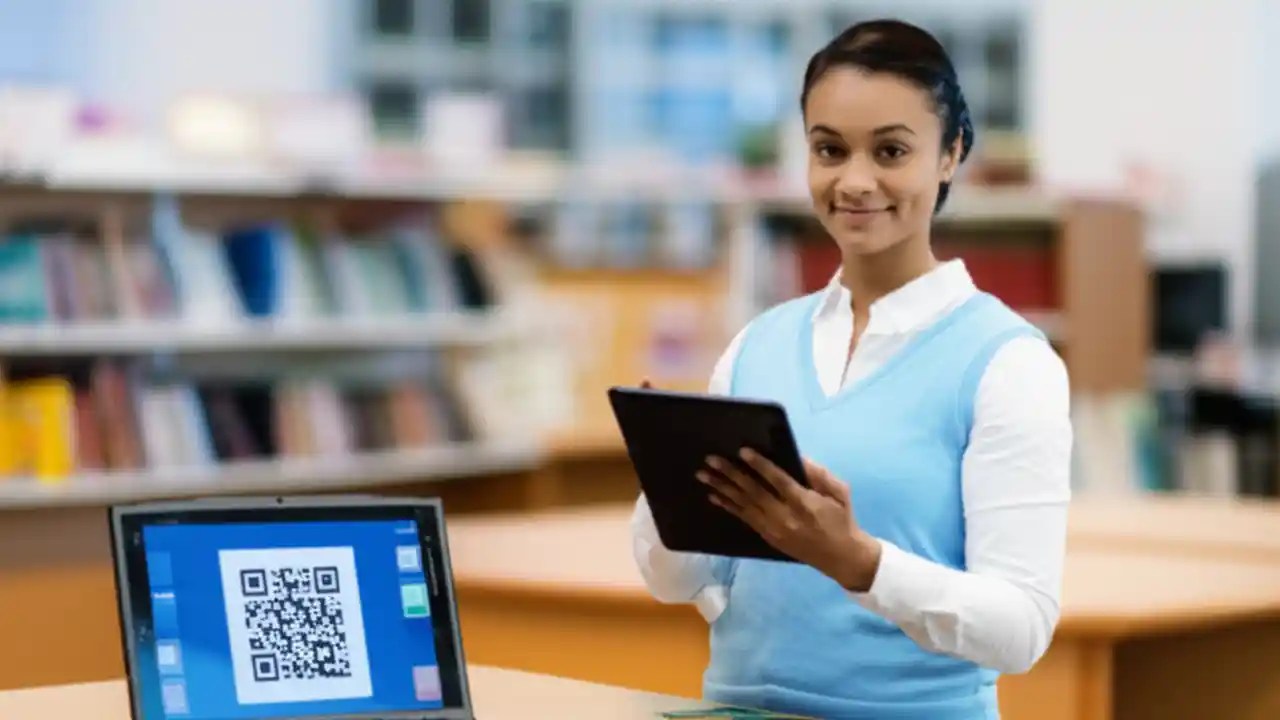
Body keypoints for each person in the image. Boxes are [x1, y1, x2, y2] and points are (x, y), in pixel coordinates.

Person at [630, 19, 1072, 719]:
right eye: (829, 149)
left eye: (891, 150)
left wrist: (860, 563)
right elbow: (677, 582)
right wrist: (668, 487)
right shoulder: (756, 345)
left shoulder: (1009, 364)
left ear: (951, 153)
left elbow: (1020, 630)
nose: (855, 181)